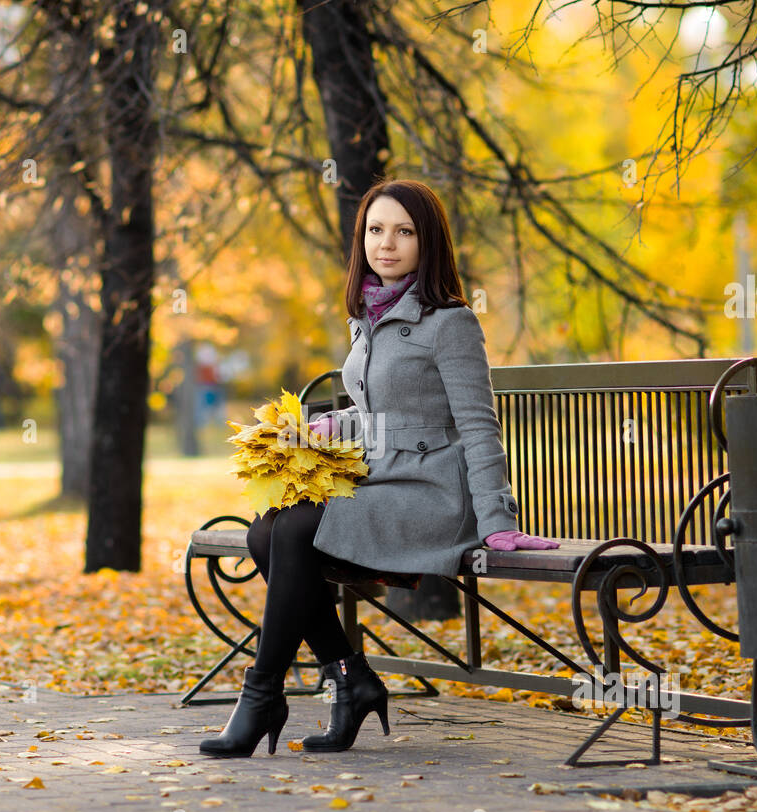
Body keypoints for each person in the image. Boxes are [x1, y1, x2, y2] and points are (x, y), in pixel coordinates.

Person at [199, 178, 558, 758]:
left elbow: (478, 425)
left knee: (291, 530)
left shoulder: (450, 323)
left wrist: (497, 519)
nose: (386, 243)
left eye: (404, 231)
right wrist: (322, 429)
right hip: (387, 483)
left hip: (437, 496)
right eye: (375, 229)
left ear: (428, 241)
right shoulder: (367, 317)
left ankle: (263, 692)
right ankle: (351, 679)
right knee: (268, 530)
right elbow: (380, 416)